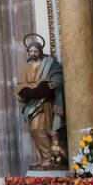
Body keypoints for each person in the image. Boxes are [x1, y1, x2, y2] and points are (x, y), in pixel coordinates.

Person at [15, 34, 66, 168]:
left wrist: (54, 84)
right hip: (32, 102)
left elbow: (58, 76)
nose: (33, 53)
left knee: (40, 129)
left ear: (40, 51)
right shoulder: (27, 66)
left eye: (35, 51)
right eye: (30, 51)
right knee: (33, 131)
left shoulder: (49, 63)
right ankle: (41, 158)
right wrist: (23, 93)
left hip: (45, 102)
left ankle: (49, 158)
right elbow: (20, 84)